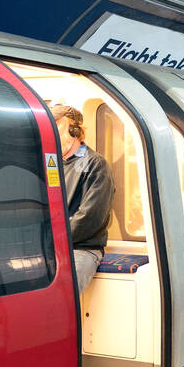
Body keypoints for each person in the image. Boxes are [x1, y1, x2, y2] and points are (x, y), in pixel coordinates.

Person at [51, 104, 115, 295]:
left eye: (57, 127)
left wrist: (55, 240)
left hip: (81, 249)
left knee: (62, 298)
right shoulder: (51, 165)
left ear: (74, 129)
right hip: (52, 246)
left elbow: (90, 217)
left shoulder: (95, 164)